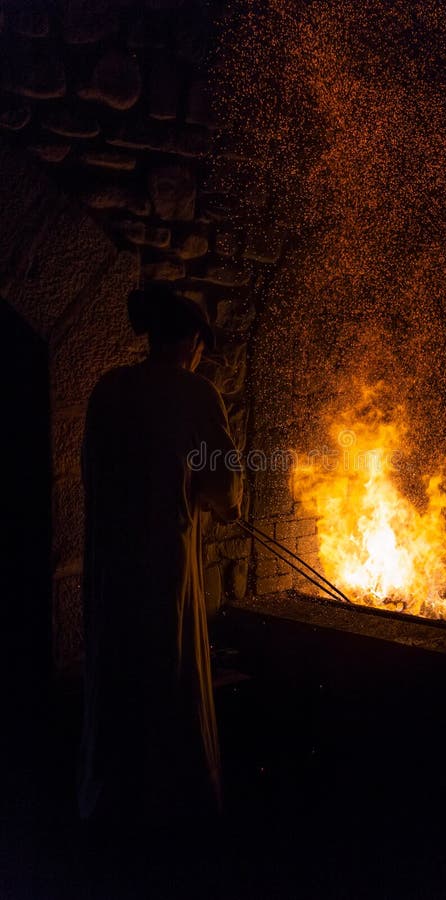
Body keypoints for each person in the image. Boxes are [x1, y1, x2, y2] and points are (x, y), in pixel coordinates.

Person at [78, 283, 242, 829]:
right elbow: (224, 488)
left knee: (117, 671)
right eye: (199, 346)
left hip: (112, 564)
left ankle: (112, 804)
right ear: (191, 342)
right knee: (169, 674)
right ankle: (170, 810)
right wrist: (223, 506)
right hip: (164, 565)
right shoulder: (196, 394)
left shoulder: (109, 389)